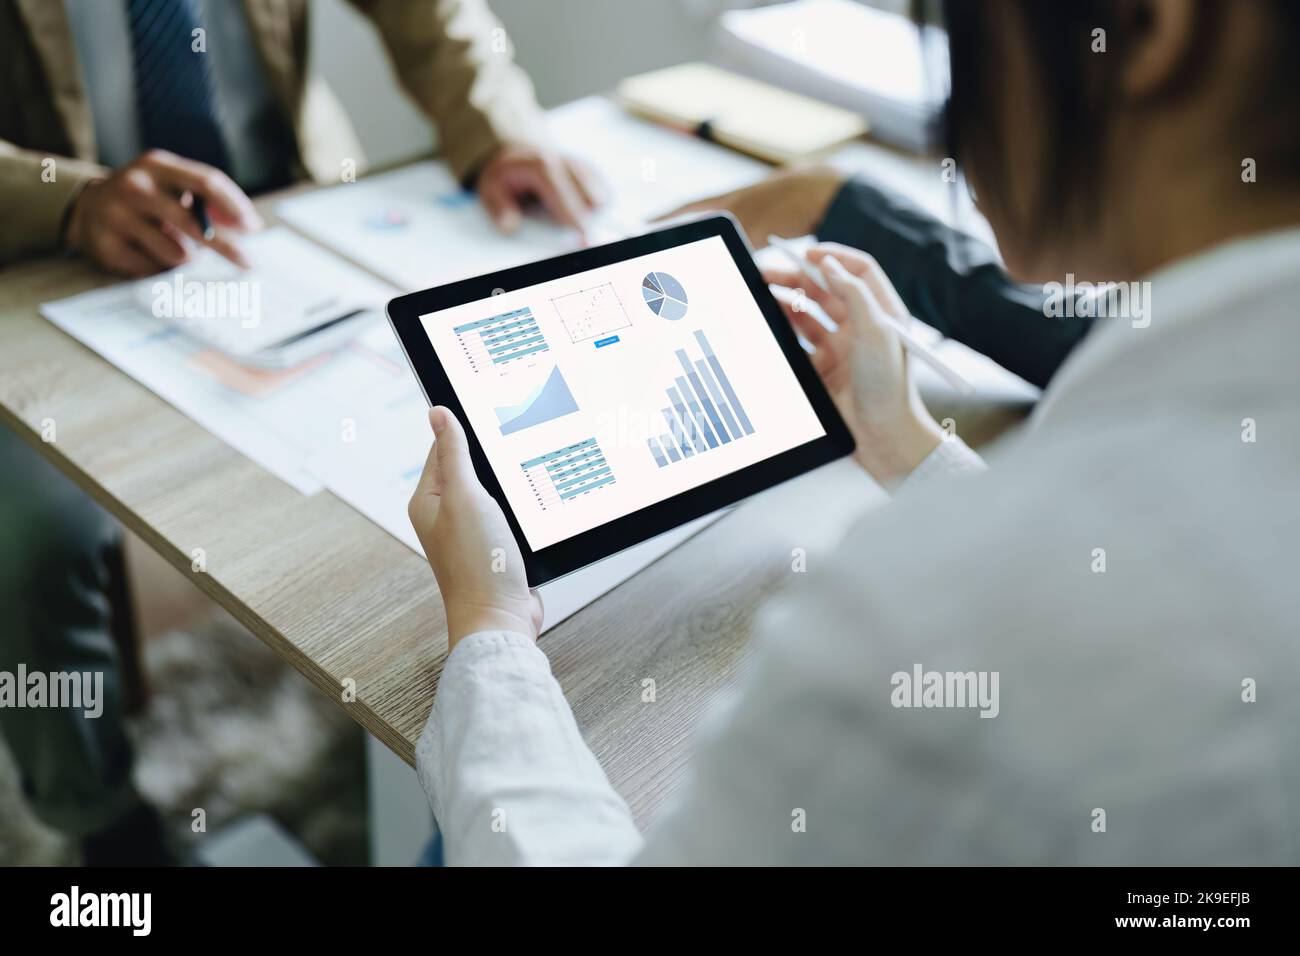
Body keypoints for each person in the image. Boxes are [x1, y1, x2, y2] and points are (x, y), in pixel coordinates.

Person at [406, 0, 1300, 864]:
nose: (951, 128)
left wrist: (491, 630)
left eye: (964, 32)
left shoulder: (916, 624)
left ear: (1148, 24)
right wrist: (905, 443)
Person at [0, 0, 595, 864]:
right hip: (45, 264)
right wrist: (66, 197)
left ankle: (421, 734)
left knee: (448, 456)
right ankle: (94, 815)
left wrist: (497, 132)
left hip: (288, 215)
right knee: (29, 538)